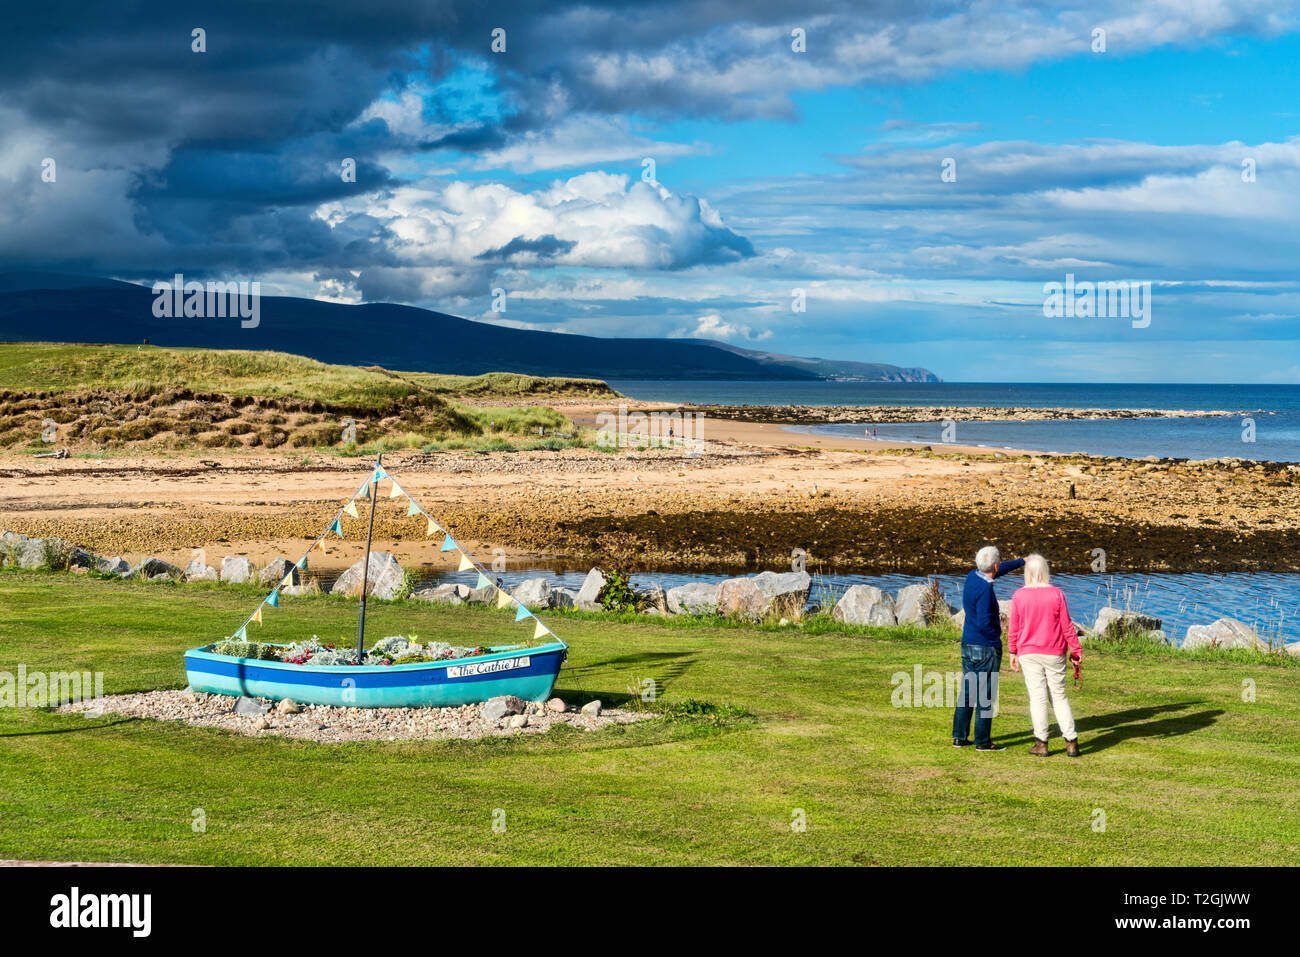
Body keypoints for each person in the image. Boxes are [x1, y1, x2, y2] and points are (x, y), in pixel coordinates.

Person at [1007, 553, 1082, 757]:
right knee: (1058, 696)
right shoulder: (1057, 594)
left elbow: (1014, 627)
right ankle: (1071, 741)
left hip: (1028, 652)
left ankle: (1042, 743)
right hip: (1054, 651)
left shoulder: (1019, 596)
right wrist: (1076, 649)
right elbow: (1067, 626)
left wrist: (1012, 651)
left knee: (1037, 698)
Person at [952, 545, 1024, 751]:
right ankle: (982, 741)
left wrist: (1020, 561)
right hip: (985, 647)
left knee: (968, 691)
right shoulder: (985, 588)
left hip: (968, 643)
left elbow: (996, 570)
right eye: (999, 562)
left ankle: (959, 736)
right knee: (985, 695)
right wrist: (997, 637)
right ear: (994, 564)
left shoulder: (972, 576)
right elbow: (985, 622)